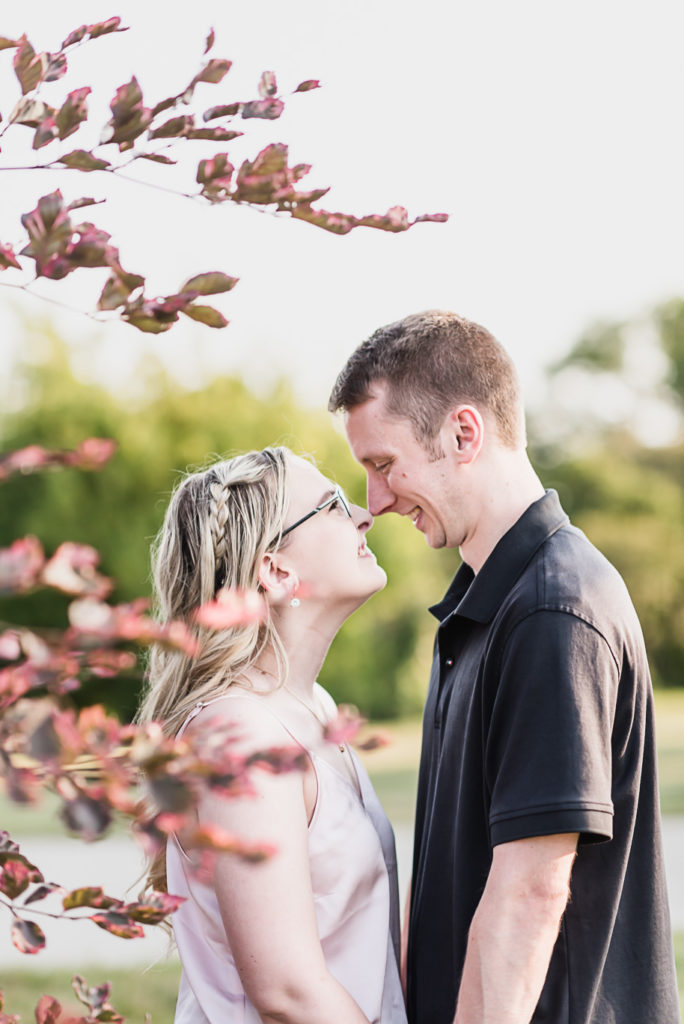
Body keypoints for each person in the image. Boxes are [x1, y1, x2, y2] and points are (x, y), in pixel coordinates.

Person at [328, 310, 681, 1024]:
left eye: (384, 465)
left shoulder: (553, 612)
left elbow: (530, 893)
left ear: (464, 434)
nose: (376, 501)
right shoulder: (486, 609)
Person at [137, 447, 408, 1024]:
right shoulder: (238, 736)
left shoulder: (313, 707)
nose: (363, 513)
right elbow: (287, 992)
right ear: (276, 570)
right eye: (333, 505)